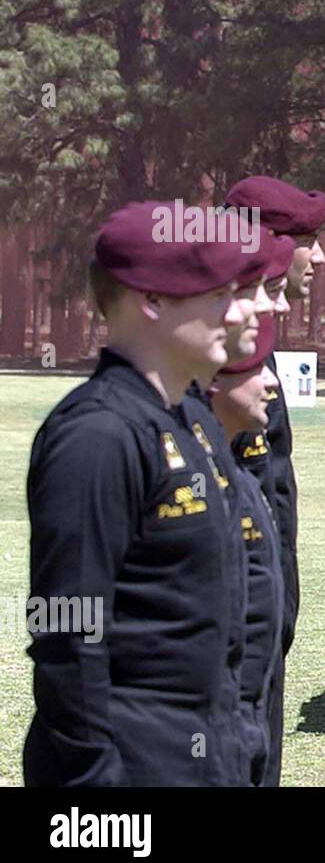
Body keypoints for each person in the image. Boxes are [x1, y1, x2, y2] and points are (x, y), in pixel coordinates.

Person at [24, 201, 253, 785]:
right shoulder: (97, 436)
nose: (236, 316)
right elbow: (66, 636)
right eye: (218, 297)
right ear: (151, 301)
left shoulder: (188, 421)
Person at [223, 175, 325, 785]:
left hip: (257, 629)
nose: (317, 256)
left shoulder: (253, 353)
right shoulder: (222, 362)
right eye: (307, 239)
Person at [210, 323, 284, 786]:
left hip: (246, 711)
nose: (274, 380)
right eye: (255, 367)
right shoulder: (98, 437)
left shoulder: (226, 461)